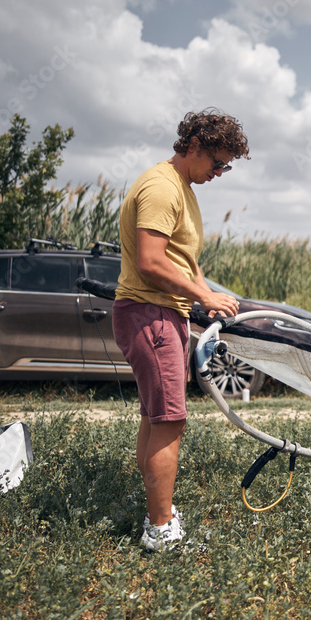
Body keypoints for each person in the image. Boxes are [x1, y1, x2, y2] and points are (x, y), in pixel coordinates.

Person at [113, 109, 249, 551]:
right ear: (193, 145)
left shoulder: (183, 188)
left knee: (155, 419)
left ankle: (159, 511)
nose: (220, 173)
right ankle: (161, 531)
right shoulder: (160, 187)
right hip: (149, 313)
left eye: (226, 166)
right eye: (217, 163)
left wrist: (207, 294)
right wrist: (202, 297)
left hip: (160, 313)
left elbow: (183, 260)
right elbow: (151, 263)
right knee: (170, 421)